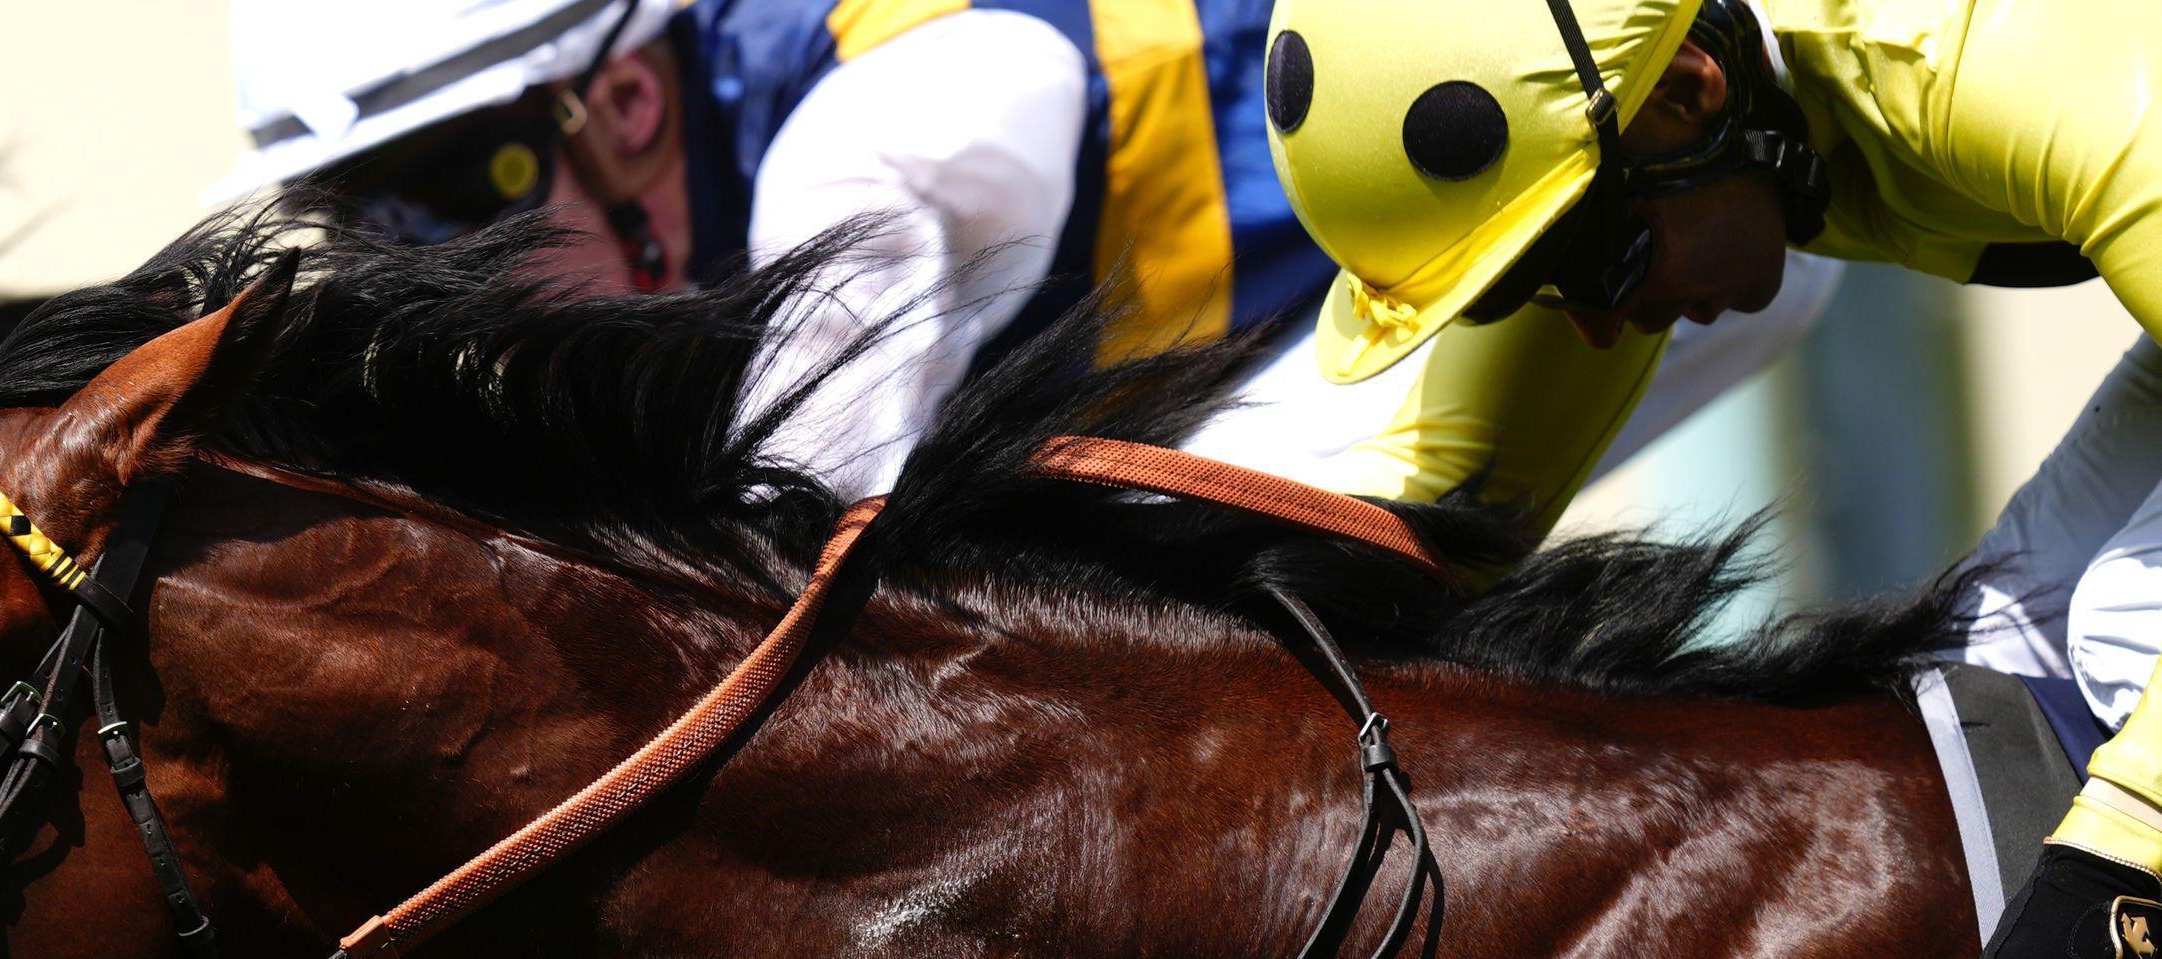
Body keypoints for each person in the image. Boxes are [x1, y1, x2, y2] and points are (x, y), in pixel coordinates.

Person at [1249, 0, 2162, 959]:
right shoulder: (1643, 116)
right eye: (1523, 287)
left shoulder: (1973, 59)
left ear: (1690, 86)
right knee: (1992, 675)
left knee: (2120, 650)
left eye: (1596, 262)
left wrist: (2120, 859)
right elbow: (1430, 524)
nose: (1595, 326)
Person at [216, 0, 1828, 497]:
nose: (433, 273)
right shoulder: (752, 129)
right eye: (367, 226)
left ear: (623, 101)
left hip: (1677, 197)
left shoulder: (853, 148)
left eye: (452, 193)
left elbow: (798, 529)